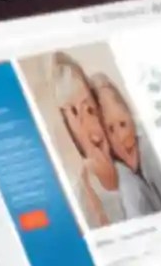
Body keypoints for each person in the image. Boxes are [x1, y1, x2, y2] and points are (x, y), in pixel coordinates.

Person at [52, 51, 124, 228]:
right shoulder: (79, 199)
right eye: (75, 114)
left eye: (90, 110)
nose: (89, 126)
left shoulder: (138, 159)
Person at [91, 73, 161, 218]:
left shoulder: (151, 149)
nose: (122, 137)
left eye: (123, 124)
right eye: (110, 129)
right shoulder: (121, 179)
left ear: (130, 117)